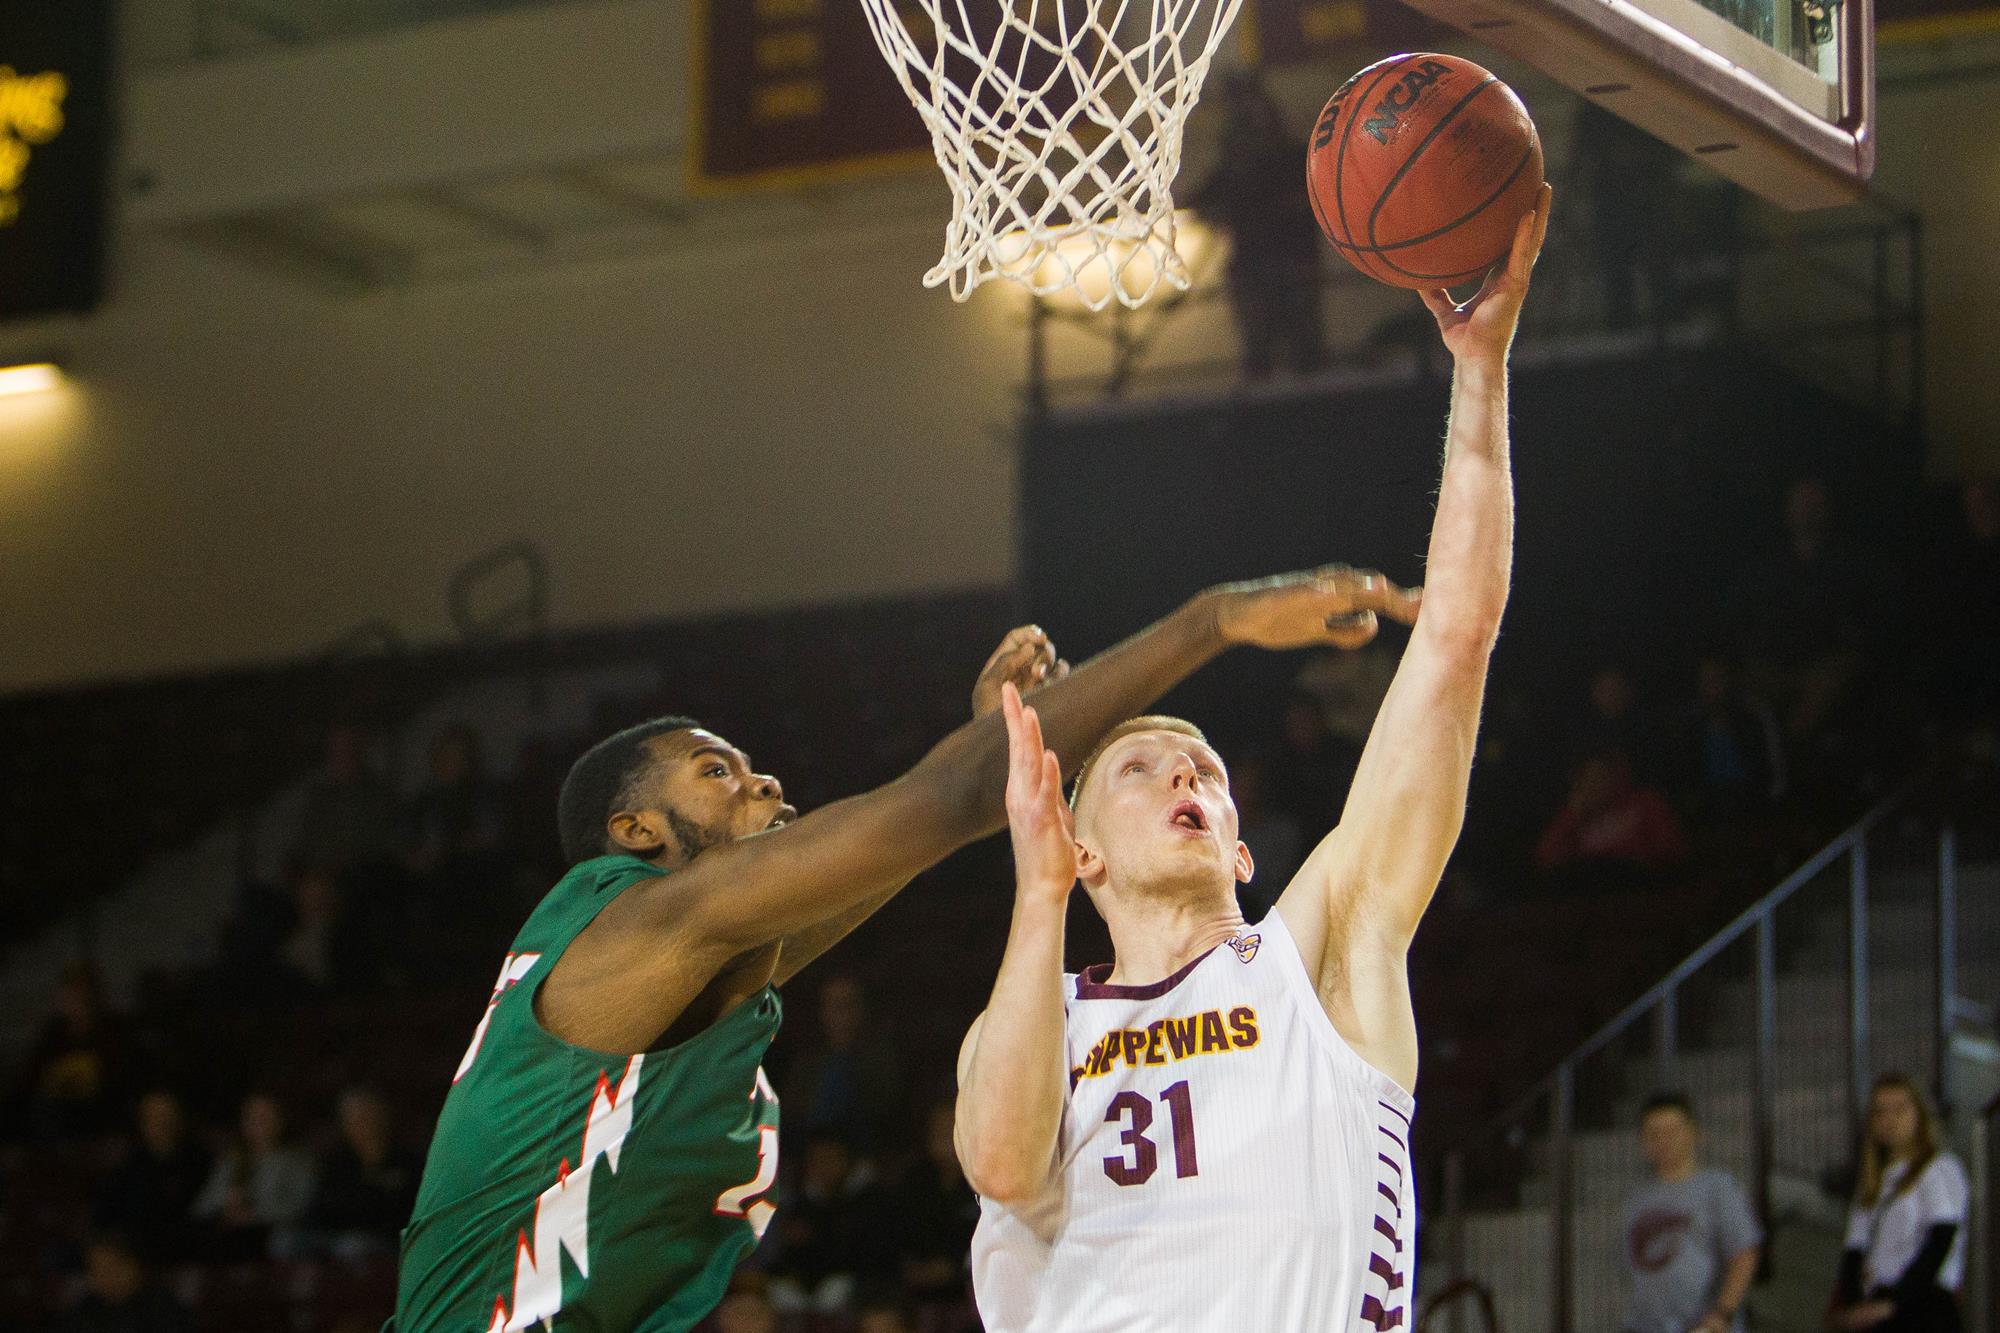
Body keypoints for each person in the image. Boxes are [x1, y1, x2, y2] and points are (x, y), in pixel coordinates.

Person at [391, 572, 1416, 1333]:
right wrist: (1216, 620)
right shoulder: (631, 926)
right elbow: (943, 804)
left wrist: (982, 753)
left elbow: (926, 832)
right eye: (716, 772)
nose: (763, 787)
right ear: (636, 832)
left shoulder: (686, 977)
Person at [958, 190, 1549, 1331]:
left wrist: (1479, 371)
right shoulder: (1038, 1019)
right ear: (1077, 851)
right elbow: (998, 1166)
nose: (1186, 772)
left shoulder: (1320, 956)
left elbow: (1456, 637)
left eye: (1206, 769)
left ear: (1239, 843)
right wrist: (1033, 893)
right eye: (1141, 766)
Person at [1186, 68, 1327, 380]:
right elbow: (1201, 202)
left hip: (1289, 262)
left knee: (1303, 351)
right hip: (1256, 266)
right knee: (1262, 352)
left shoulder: (1291, 159)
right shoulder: (1234, 166)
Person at [1831, 1075, 1968, 1332]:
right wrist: (1855, 1305)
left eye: (1900, 1109)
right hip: (1877, 1304)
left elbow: (1942, 1236)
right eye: (1880, 1112)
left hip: (1923, 1304)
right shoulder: (1873, 1181)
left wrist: (1896, 1300)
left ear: (1919, 1113)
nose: (1890, 1120)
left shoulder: (1938, 1168)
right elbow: (1853, 1250)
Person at [1619, 1093, 1761, 1333]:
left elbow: (1744, 1254)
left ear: (1692, 1132)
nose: (1664, 1140)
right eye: (1654, 1134)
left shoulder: (1718, 1187)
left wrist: (1721, 1315)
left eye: (1673, 1131)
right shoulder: (1636, 1201)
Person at [191, 1090, 317, 1263]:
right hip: (230, 1233)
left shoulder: (299, 1161)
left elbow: (301, 1206)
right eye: (251, 1116)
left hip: (273, 1233)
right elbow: (202, 1206)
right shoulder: (231, 1161)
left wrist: (255, 1215)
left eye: (265, 1116)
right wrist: (225, 1205)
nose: (258, 1123)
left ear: (280, 1120)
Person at [784, 974, 906, 1151]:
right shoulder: (807, 1062)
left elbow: (885, 1115)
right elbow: (793, 1114)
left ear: (861, 1009)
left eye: (848, 1004)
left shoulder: (881, 1060)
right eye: (834, 1006)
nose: (841, 1014)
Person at [93, 1089, 209, 1263]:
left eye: (166, 1116)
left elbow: (201, 1219)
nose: (160, 1124)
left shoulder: (200, 1163)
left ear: (179, 1119)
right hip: (131, 1252)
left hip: (179, 1250)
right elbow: (105, 1216)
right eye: (152, 1117)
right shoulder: (128, 1167)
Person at [309, 1086, 419, 1259]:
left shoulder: (407, 1161)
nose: (362, 1124)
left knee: (353, 1246)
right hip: (339, 1236)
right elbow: (320, 1211)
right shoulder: (337, 1164)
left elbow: (405, 1212)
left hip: (388, 1242)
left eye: (367, 1115)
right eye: (353, 1118)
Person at [45, 1232, 193, 1333]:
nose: (99, 1276)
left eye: (109, 1268)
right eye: (94, 1269)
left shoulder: (161, 1307)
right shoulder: (89, 1306)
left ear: (132, 1266)